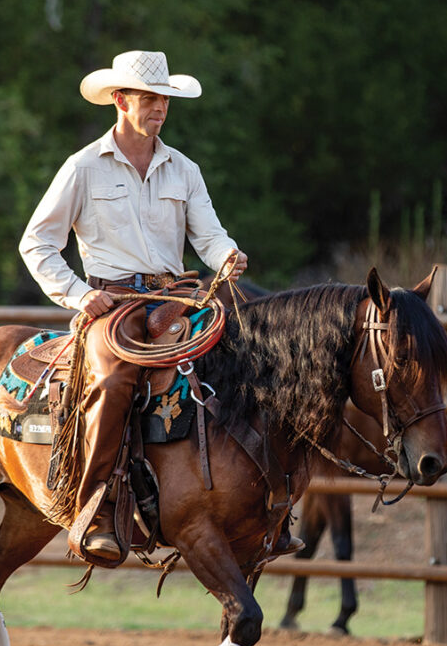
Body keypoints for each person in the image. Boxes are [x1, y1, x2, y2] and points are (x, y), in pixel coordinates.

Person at [19, 49, 299, 564]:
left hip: (175, 301)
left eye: (164, 99)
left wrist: (227, 255)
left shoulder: (184, 169)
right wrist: (80, 294)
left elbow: (208, 234)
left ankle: (255, 506)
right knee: (112, 382)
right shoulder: (83, 167)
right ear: (120, 100)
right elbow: (37, 243)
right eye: (149, 98)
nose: (160, 108)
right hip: (114, 305)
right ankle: (96, 509)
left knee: (248, 363)